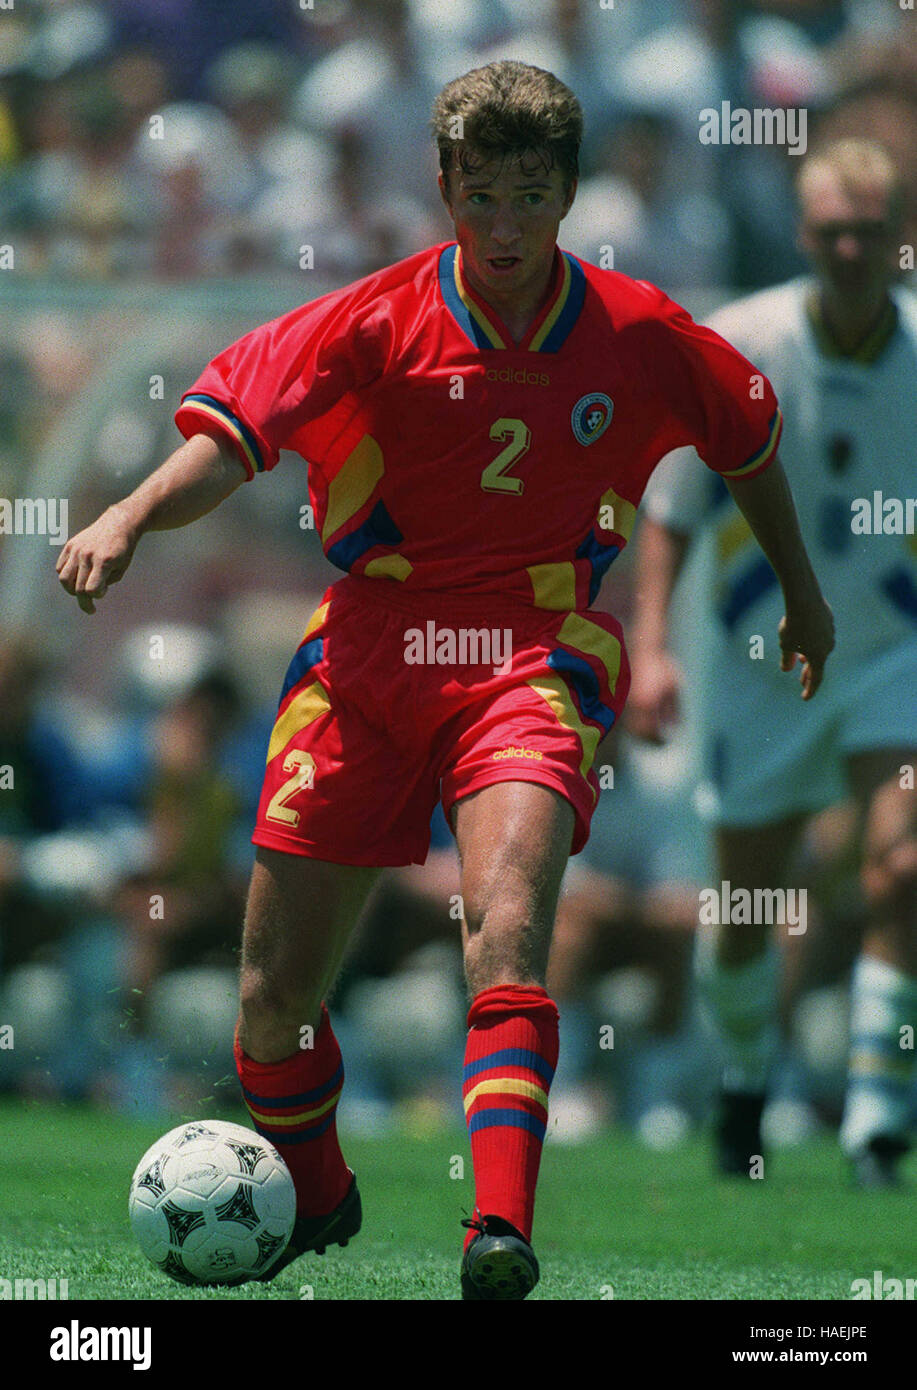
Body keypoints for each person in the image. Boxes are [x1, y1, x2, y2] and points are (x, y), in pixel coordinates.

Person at [56, 60, 834, 1299]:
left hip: (532, 657)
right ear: (443, 189)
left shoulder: (639, 331)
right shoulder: (370, 319)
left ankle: (496, 1234)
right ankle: (319, 1194)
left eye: (532, 194)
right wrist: (132, 514)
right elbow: (227, 440)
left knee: (506, 933)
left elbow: (747, 441)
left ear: (569, 193)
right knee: (271, 1006)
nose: (506, 223)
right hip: (367, 653)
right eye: (482, 194)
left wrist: (799, 591)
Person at [628, 138, 915, 1187]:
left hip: (891, 652)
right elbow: (668, 509)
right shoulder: (739, 345)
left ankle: (876, 1118)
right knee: (745, 908)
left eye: (868, 230)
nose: (849, 248)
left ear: (898, 238)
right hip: (752, 664)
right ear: (802, 234)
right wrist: (649, 650)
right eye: (831, 229)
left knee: (904, 864)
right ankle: (744, 1074)